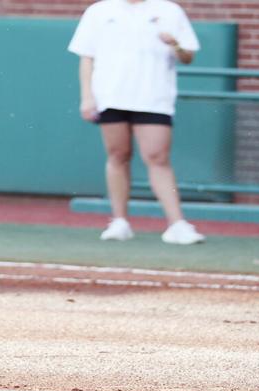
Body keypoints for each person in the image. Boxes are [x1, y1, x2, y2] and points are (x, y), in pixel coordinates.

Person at [68, 0, 205, 245]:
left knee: (157, 157)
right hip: (111, 96)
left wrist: (174, 43)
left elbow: (188, 55)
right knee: (117, 155)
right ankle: (119, 221)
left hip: (154, 98)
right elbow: (86, 57)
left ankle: (177, 224)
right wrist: (87, 97)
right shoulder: (99, 11)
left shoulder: (169, 11)